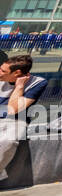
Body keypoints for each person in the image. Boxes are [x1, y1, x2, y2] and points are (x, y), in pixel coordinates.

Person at [0, 53, 48, 183]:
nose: (0, 72)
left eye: (3, 71)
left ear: (17, 73)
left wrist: (19, 86)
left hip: (16, 121)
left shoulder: (38, 83)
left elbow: (14, 109)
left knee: (7, 141)